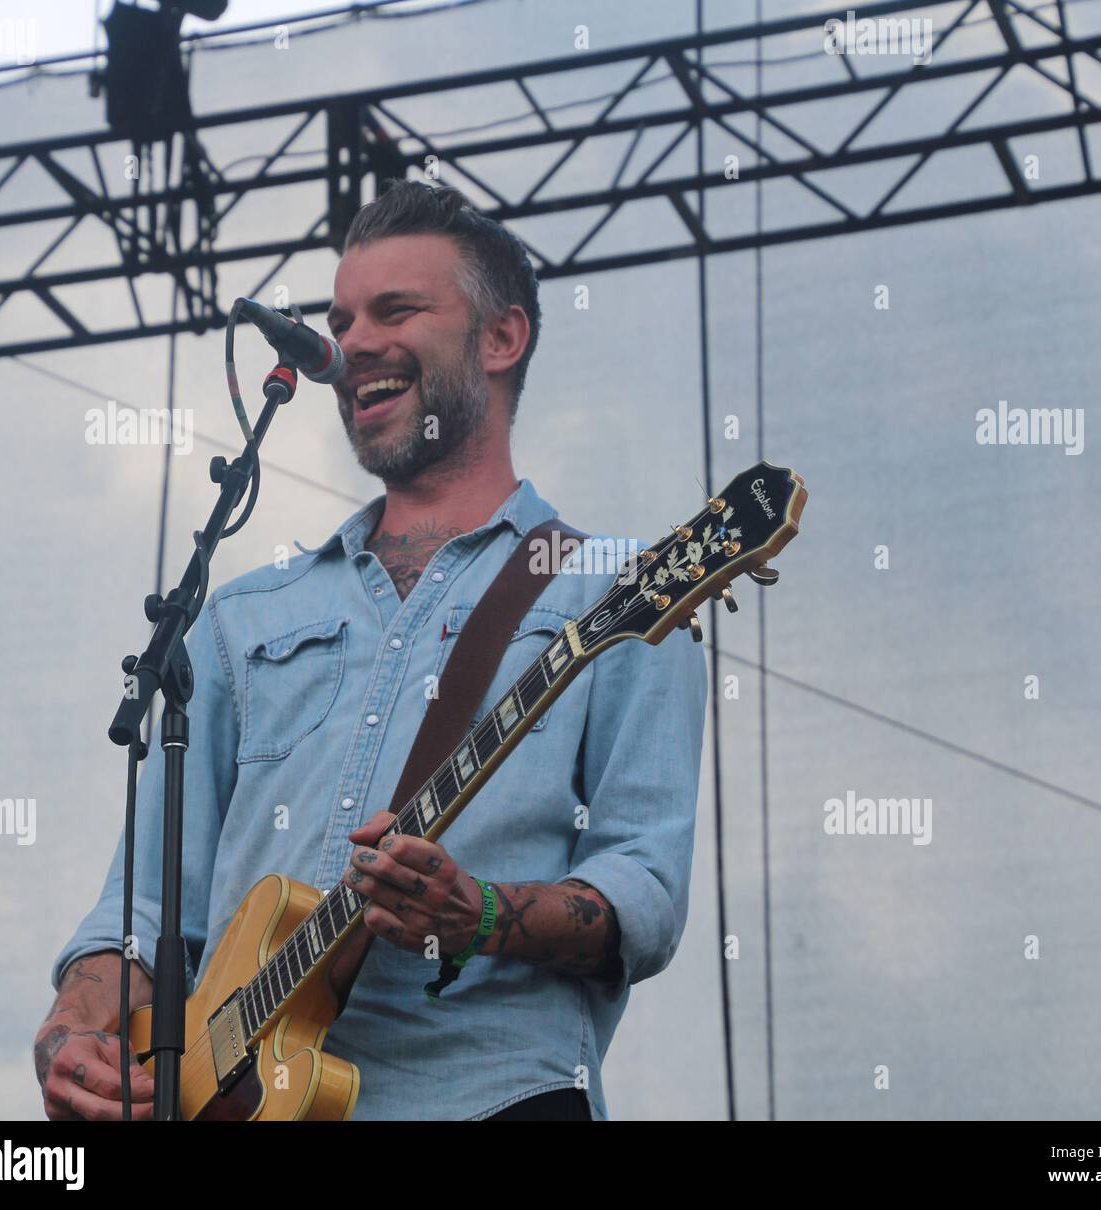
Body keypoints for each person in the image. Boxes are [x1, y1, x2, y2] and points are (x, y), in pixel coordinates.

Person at [35, 179, 709, 1121]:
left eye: (397, 310)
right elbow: (146, 912)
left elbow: (643, 885)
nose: (351, 344)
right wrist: (75, 1034)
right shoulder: (241, 615)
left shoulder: (615, 588)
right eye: (342, 319)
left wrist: (478, 916)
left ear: (501, 338)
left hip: (489, 1098)